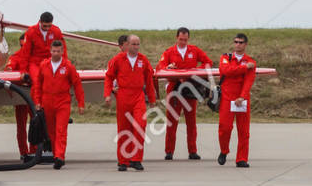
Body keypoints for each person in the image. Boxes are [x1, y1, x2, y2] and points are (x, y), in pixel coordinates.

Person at [157, 27, 213, 160]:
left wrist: (194, 70)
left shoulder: (194, 50)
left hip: (190, 90)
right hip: (174, 90)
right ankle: (169, 152)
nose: (183, 42)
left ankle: (192, 151)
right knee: (171, 122)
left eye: (185, 40)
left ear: (188, 39)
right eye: (181, 39)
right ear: (177, 38)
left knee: (191, 122)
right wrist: (169, 68)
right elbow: (160, 67)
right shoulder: (169, 52)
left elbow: (208, 62)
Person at [104, 34, 157, 171]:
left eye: (138, 44)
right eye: (133, 44)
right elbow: (109, 77)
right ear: (127, 45)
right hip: (123, 96)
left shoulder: (143, 60)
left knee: (140, 125)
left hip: (138, 96)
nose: (136, 47)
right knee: (124, 129)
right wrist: (107, 95)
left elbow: (149, 81)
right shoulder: (118, 60)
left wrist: (152, 99)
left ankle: (136, 159)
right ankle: (123, 161)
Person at [33, 39, 85, 169]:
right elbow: (38, 85)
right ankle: (56, 155)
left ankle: (60, 156)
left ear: (62, 52)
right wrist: (37, 101)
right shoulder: (44, 65)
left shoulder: (68, 67)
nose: (56, 53)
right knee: (51, 131)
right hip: (47, 102)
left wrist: (81, 103)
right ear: (50, 51)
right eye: (54, 51)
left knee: (61, 130)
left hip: (63, 102)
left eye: (58, 51)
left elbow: (77, 85)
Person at [217, 33, 257, 167]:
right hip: (227, 98)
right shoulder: (225, 57)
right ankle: (224, 150)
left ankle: (241, 159)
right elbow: (226, 71)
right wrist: (244, 67)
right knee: (225, 128)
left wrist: (242, 96)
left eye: (240, 42)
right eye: (236, 42)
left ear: (245, 45)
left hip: (242, 99)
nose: (238, 44)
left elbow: (249, 81)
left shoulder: (251, 61)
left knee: (244, 131)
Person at [19, 12, 68, 80]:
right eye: (45, 26)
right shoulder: (31, 32)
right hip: (35, 63)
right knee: (37, 80)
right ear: (40, 22)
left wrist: (65, 65)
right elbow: (25, 52)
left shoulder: (56, 31)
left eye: (49, 26)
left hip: (51, 62)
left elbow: (63, 49)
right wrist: (23, 71)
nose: (47, 28)